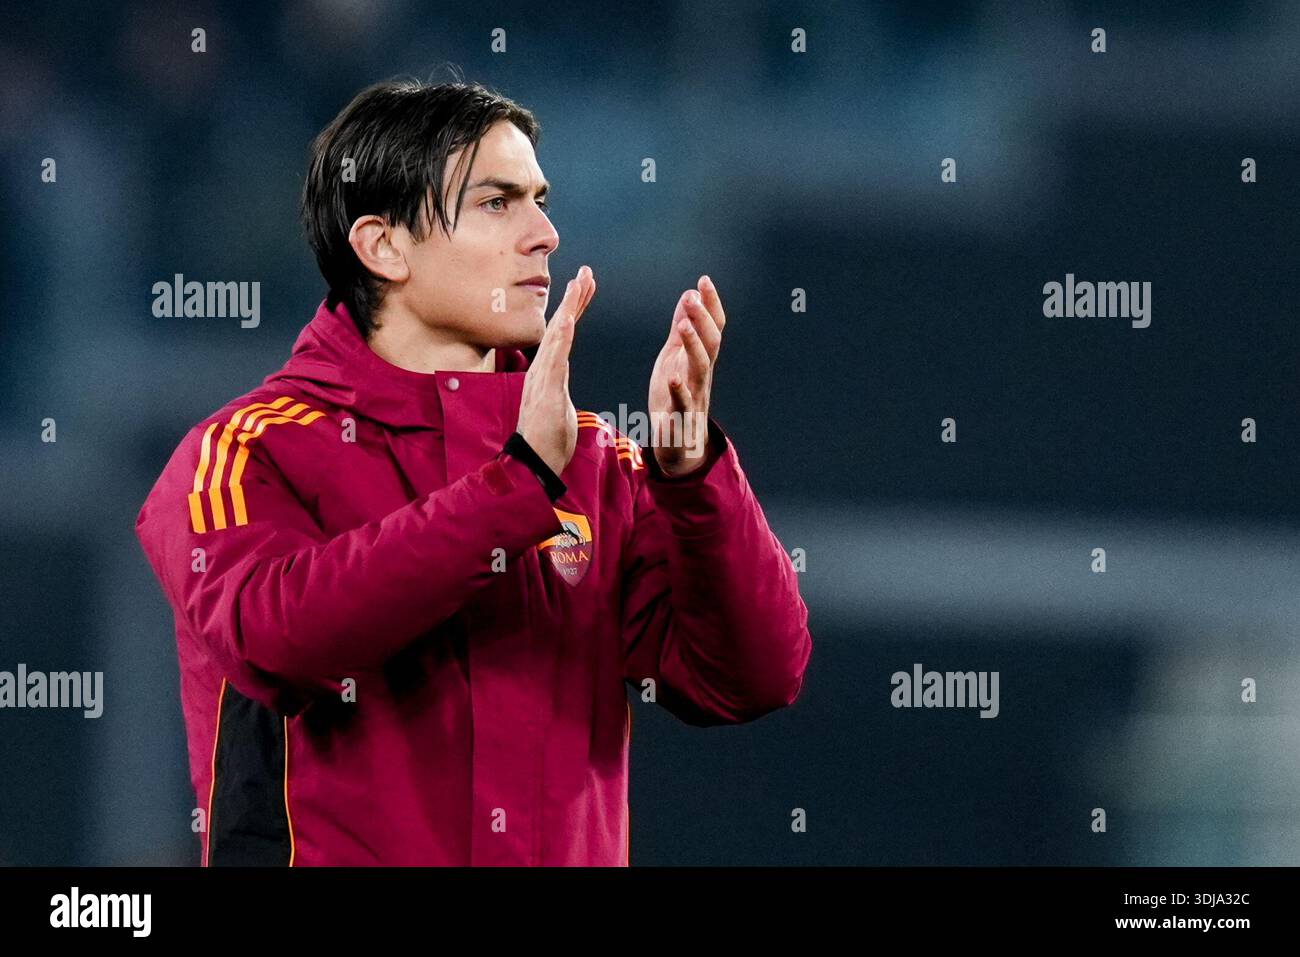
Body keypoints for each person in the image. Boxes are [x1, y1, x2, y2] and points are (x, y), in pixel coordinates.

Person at [135, 78, 812, 866]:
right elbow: (273, 639)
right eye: (499, 201)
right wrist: (515, 487)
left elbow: (754, 676)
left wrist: (691, 471)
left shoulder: (595, 464)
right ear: (383, 245)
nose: (547, 233)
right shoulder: (247, 449)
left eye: (541, 198)